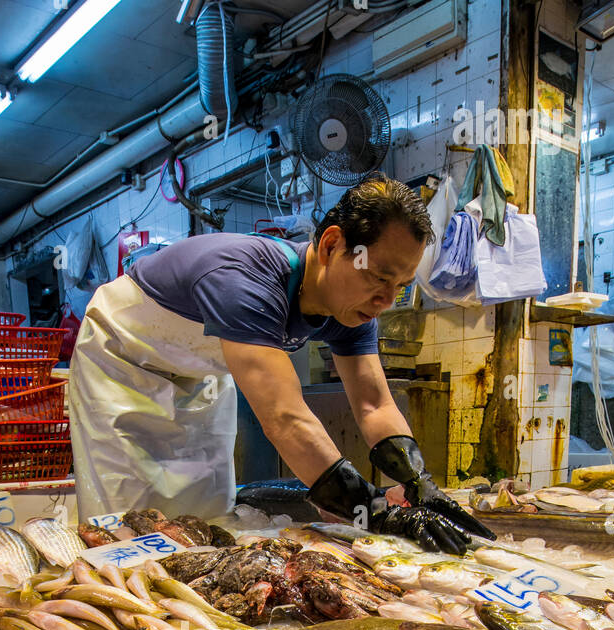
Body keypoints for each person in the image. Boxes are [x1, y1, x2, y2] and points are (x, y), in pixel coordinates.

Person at [68, 176, 493, 552]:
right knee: (124, 524)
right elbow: (285, 419)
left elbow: (375, 406)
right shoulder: (246, 279)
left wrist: (420, 484)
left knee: (205, 521)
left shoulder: (353, 311)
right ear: (331, 245)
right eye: (378, 278)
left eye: (399, 286)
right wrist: (373, 512)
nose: (384, 302)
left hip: (202, 379)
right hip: (121, 363)